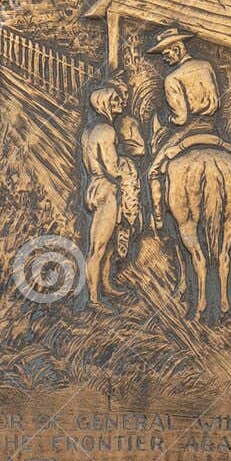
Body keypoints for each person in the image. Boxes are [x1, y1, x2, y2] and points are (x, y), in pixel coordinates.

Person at [145, 27, 221, 225]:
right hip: (212, 128)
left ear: (178, 49)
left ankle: (158, 220)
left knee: (153, 172)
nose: (164, 58)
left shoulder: (172, 79)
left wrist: (168, 121)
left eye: (166, 53)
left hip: (189, 131)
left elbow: (181, 118)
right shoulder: (206, 66)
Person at [81, 83, 140, 305]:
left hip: (99, 186)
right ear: (103, 103)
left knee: (108, 245)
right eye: (114, 99)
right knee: (98, 247)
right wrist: (129, 164)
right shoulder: (106, 130)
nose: (120, 103)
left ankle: (106, 286)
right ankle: (94, 299)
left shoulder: (90, 129)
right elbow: (112, 169)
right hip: (106, 189)